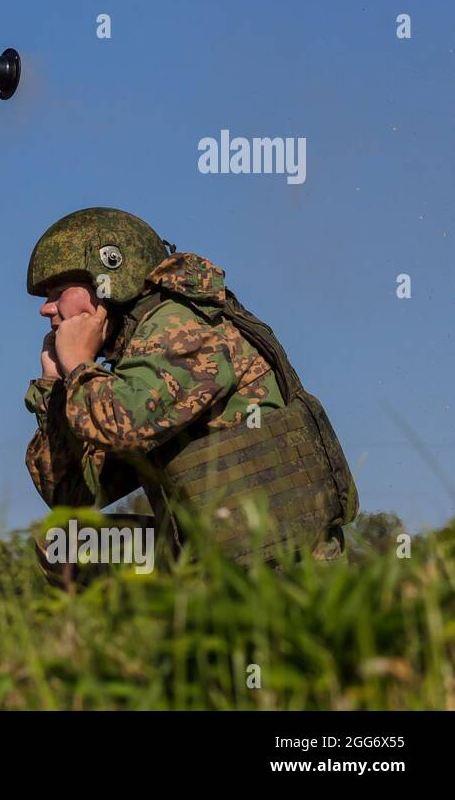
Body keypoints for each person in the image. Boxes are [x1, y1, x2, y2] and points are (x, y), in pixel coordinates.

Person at [24, 207, 358, 571]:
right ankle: (166, 622)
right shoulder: (132, 364)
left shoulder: (182, 327)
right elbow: (72, 495)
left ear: (109, 278)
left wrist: (78, 366)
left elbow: (122, 427)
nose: (46, 309)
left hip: (280, 566)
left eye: (58, 292)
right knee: (69, 546)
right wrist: (55, 390)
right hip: (224, 552)